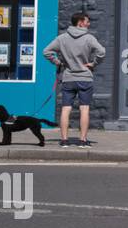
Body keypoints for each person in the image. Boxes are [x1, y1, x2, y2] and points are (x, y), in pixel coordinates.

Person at [42, 11, 106, 148]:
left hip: (68, 78)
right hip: (85, 78)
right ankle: (82, 140)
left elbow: (46, 51)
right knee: (84, 109)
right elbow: (102, 52)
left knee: (66, 109)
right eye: (87, 21)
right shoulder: (89, 38)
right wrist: (93, 64)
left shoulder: (62, 38)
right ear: (80, 22)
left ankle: (64, 140)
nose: (89, 24)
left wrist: (58, 62)